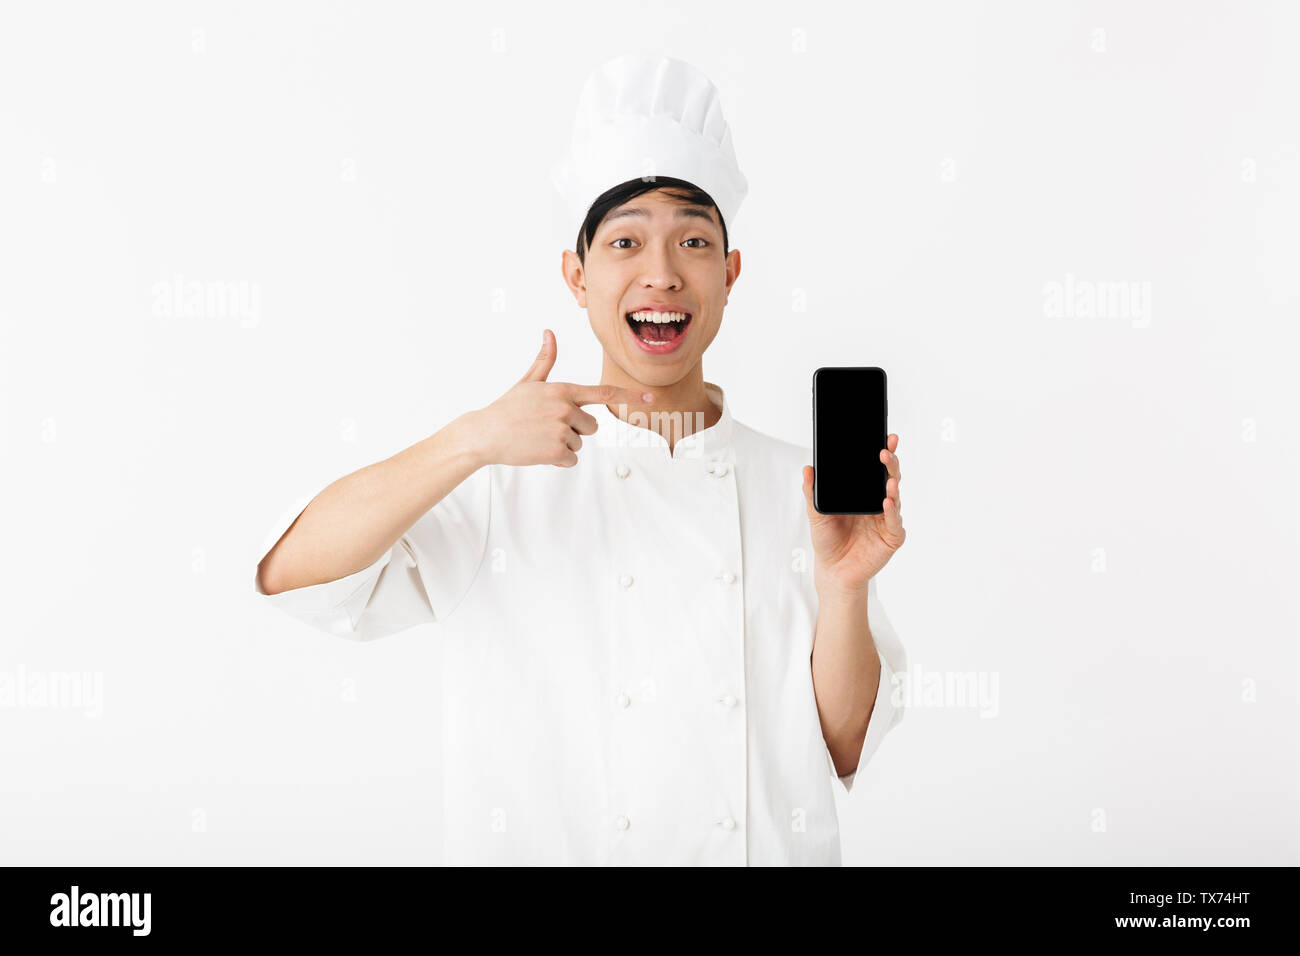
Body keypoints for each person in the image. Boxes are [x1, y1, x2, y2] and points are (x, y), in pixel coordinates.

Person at [254, 53, 907, 866]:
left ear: (731, 274)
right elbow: (296, 575)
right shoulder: (500, 477)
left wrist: (846, 586)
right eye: (625, 241)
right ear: (577, 275)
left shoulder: (802, 491)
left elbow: (842, 748)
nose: (661, 274)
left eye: (693, 241)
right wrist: (470, 441)